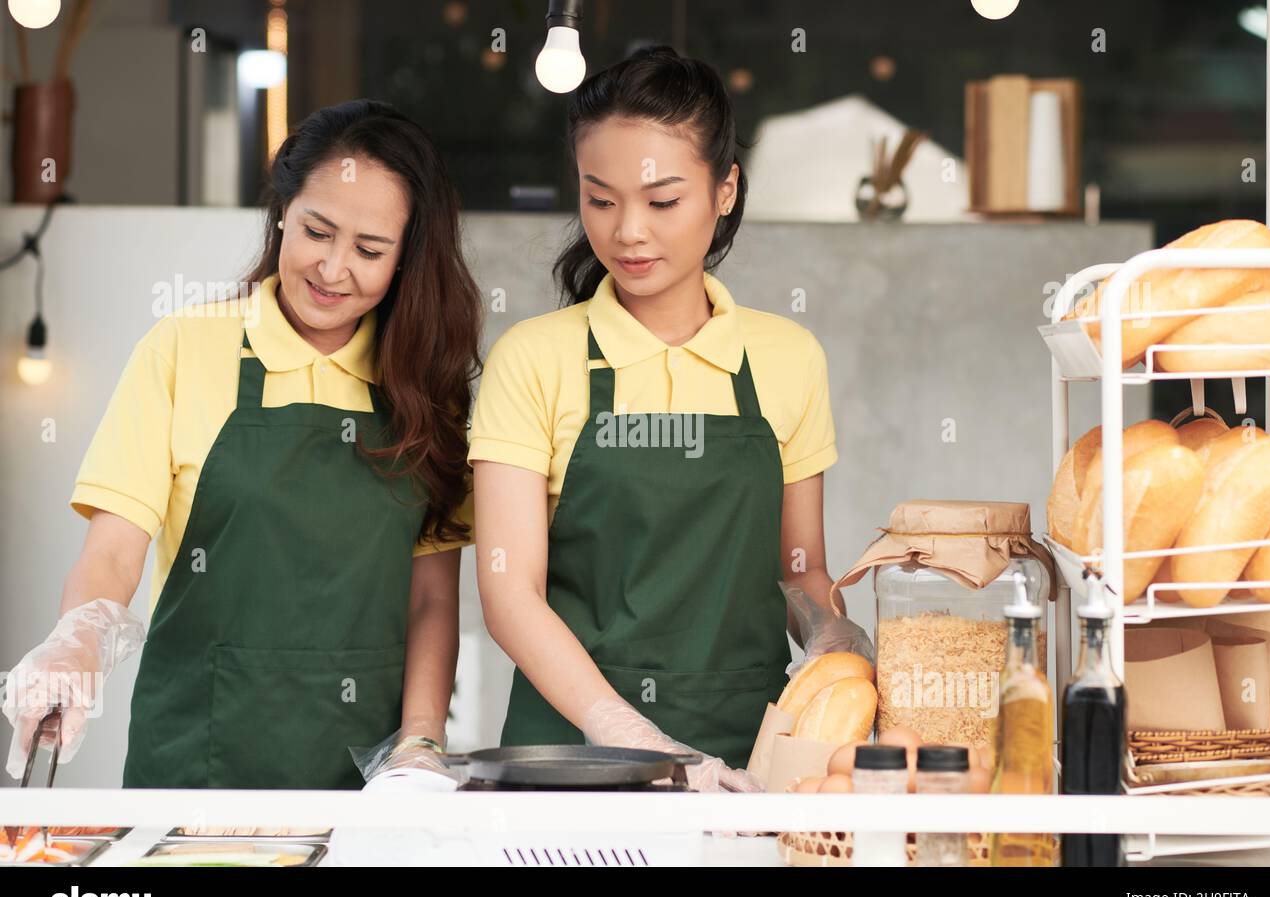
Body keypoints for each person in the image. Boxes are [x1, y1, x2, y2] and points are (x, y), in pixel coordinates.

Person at [2, 100, 480, 789]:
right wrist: (76, 642)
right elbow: (112, 550)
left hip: (363, 778)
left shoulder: (427, 387)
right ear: (283, 210)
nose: (333, 268)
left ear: (407, 259)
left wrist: (418, 746)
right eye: (317, 230)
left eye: (370, 250)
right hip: (195, 764)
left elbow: (432, 597)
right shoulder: (184, 349)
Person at [470, 48, 841, 791]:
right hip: (576, 761)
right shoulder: (535, 358)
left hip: (750, 759)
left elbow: (798, 571)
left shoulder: (788, 357)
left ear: (725, 189)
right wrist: (629, 735)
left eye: (662, 201)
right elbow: (510, 592)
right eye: (600, 200)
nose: (628, 232)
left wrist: (833, 634)